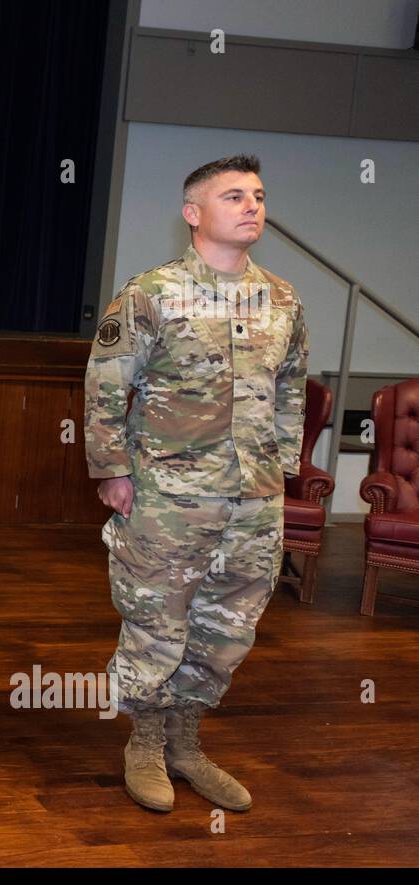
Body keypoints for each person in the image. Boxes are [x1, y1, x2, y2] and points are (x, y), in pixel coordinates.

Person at [84, 154, 307, 813]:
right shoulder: (151, 293)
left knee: (227, 629)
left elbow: (292, 387)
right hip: (168, 500)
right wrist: (111, 471)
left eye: (259, 195)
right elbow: (104, 387)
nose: (252, 206)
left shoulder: (284, 299)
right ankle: (145, 744)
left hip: (254, 501)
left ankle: (186, 741)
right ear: (193, 213)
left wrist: (283, 471)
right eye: (234, 195)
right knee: (157, 623)